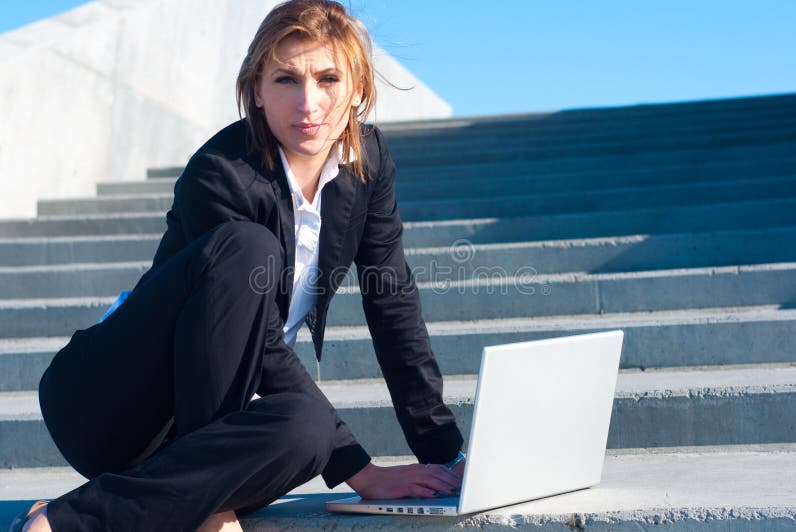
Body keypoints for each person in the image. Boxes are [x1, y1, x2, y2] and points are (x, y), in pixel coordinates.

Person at [17, 1, 465, 530]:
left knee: (310, 432)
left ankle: (68, 519)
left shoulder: (367, 164)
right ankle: (211, 501)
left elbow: (392, 301)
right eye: (286, 79)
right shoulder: (221, 172)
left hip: (205, 441)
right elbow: (261, 339)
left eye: (328, 78)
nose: (309, 102)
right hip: (113, 402)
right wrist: (362, 472)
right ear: (256, 89)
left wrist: (444, 457)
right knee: (248, 248)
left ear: (358, 88)